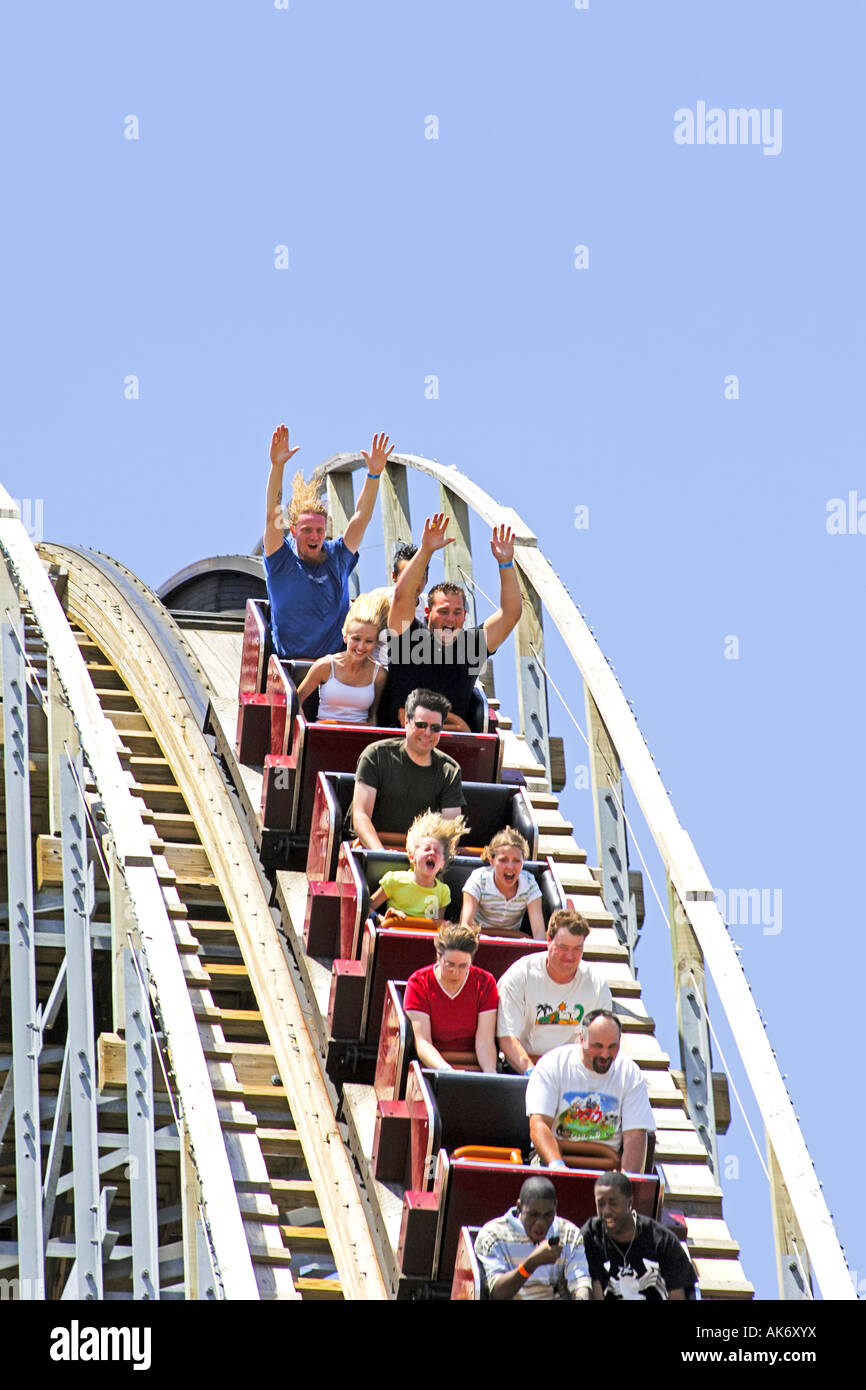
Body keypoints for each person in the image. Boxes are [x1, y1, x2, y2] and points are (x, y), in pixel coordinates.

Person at [377, 512, 523, 730]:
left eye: (457, 612)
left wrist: (505, 563)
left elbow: (510, 614)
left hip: (452, 745)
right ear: (427, 611)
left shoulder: (471, 645)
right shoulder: (408, 637)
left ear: (465, 616)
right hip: (398, 738)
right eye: (443, 611)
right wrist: (426, 551)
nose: (451, 619)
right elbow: (402, 597)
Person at [262, 424, 394, 659]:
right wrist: (277, 466)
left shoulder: (337, 557)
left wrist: (374, 474)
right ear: (293, 531)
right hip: (289, 665)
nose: (315, 536)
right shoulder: (281, 559)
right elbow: (273, 515)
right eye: (307, 530)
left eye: (320, 530)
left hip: (335, 665)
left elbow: (361, 518)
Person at [526, 1010, 655, 1173]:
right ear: (581, 1039)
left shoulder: (629, 1073)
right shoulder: (553, 1064)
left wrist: (625, 1179)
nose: (605, 1054)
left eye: (612, 1047)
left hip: (608, 1166)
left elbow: (635, 1135)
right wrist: (557, 1166)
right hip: (553, 1159)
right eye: (597, 1046)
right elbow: (539, 1123)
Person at [496, 910, 613, 1075]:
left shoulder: (596, 984)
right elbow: (507, 1038)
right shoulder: (521, 974)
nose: (570, 956)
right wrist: (533, 1073)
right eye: (563, 948)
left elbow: (599, 1042)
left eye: (577, 949)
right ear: (548, 941)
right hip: (521, 1069)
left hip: (573, 1072)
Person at [350, 688, 464, 849]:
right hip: (372, 847)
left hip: (423, 854)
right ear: (406, 722)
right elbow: (361, 816)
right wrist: (380, 854)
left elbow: (450, 831)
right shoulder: (376, 755)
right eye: (421, 725)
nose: (427, 733)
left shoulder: (449, 770)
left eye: (435, 728)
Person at [582, 1172, 697, 1300]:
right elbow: (593, 1285)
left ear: (630, 1202)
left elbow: (677, 1295)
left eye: (613, 1204)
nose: (607, 1211)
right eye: (601, 1204)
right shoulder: (592, 1235)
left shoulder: (662, 1240)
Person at [474, 1176, 591, 1301]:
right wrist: (533, 1262)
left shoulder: (569, 1234)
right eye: (533, 1215)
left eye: (548, 1215)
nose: (540, 1223)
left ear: (555, 1207)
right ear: (519, 1207)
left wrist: (581, 1295)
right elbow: (497, 1294)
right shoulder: (493, 1235)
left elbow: (580, 1282)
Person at [403, 923, 498, 1072]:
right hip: (432, 1064)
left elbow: (485, 1041)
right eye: (450, 965)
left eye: (463, 966)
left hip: (473, 1061)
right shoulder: (419, 983)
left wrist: (490, 1073)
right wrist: (447, 1071)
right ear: (438, 957)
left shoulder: (485, 983)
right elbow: (423, 1041)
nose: (456, 972)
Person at [295, 592, 387, 723]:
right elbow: (296, 700)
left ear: (376, 642)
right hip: (323, 734)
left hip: (361, 736)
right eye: (356, 639)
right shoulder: (325, 665)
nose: (361, 647)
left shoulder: (379, 675)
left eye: (369, 641)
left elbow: (373, 715)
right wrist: (307, 730)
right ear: (345, 636)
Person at [369, 809, 468, 921]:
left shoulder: (443, 892)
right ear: (412, 857)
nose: (431, 853)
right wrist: (381, 919)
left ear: (442, 863)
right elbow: (368, 907)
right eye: (426, 849)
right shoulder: (394, 881)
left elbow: (438, 926)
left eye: (436, 851)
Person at [460, 828, 545, 939]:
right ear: (491, 860)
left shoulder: (529, 883)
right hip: (478, 939)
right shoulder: (479, 879)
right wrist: (513, 935)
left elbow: (539, 931)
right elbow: (465, 926)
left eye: (516, 860)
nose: (510, 867)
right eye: (503, 860)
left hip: (513, 944)